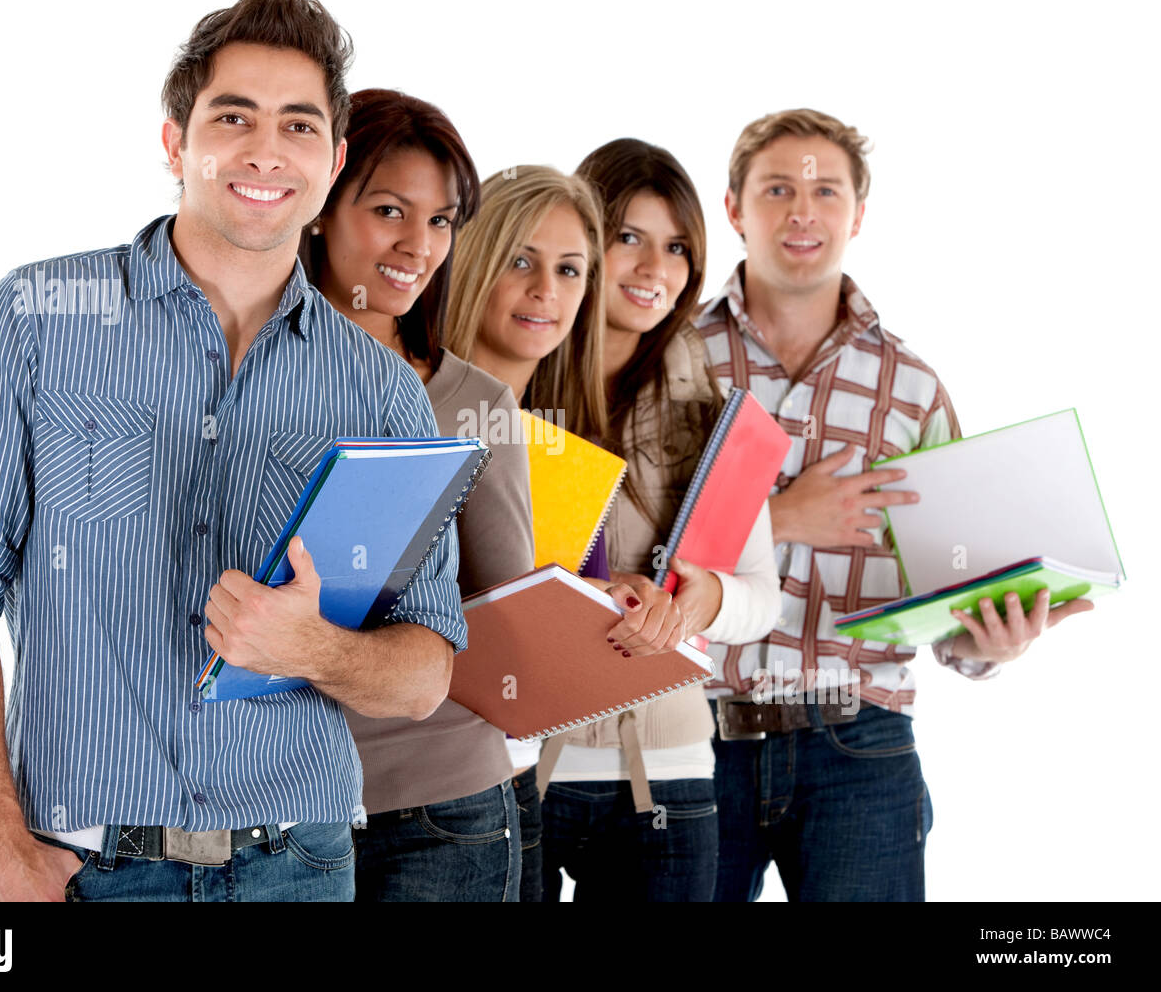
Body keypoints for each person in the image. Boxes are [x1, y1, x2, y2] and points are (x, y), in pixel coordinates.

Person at [0, 0, 469, 903]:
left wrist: (313, 648)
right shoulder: (39, 317)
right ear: (176, 143)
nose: (265, 151)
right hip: (87, 863)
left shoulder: (382, 390)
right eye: (233, 117)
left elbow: (423, 674)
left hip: (301, 863)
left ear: (333, 162)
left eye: (299, 126)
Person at [695, 108, 1095, 901]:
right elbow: (631, 541)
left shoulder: (910, 389)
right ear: (736, 209)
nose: (802, 210)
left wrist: (991, 642)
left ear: (858, 214)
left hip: (861, 751)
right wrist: (781, 521)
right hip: (696, 741)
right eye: (778, 188)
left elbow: (951, 587)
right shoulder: (677, 356)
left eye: (825, 190)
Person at [528, 139, 780, 901]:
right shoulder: (507, 381)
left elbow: (760, 597)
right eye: (628, 238)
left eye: (676, 248)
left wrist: (698, 599)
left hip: (666, 774)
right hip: (518, 770)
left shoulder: (707, 406)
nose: (653, 269)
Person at [298, 88, 529, 901]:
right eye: (391, 210)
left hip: (440, 811)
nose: (418, 244)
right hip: (271, 813)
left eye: (441, 221)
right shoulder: (238, 381)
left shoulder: (475, 406)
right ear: (320, 204)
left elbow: (502, 611)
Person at [445, 164, 687, 899]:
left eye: (570, 269)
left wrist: (617, 608)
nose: (546, 289)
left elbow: (538, 639)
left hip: (519, 784)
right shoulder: (416, 403)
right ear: (474, 258)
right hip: (427, 790)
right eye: (521, 259)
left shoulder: (564, 448)